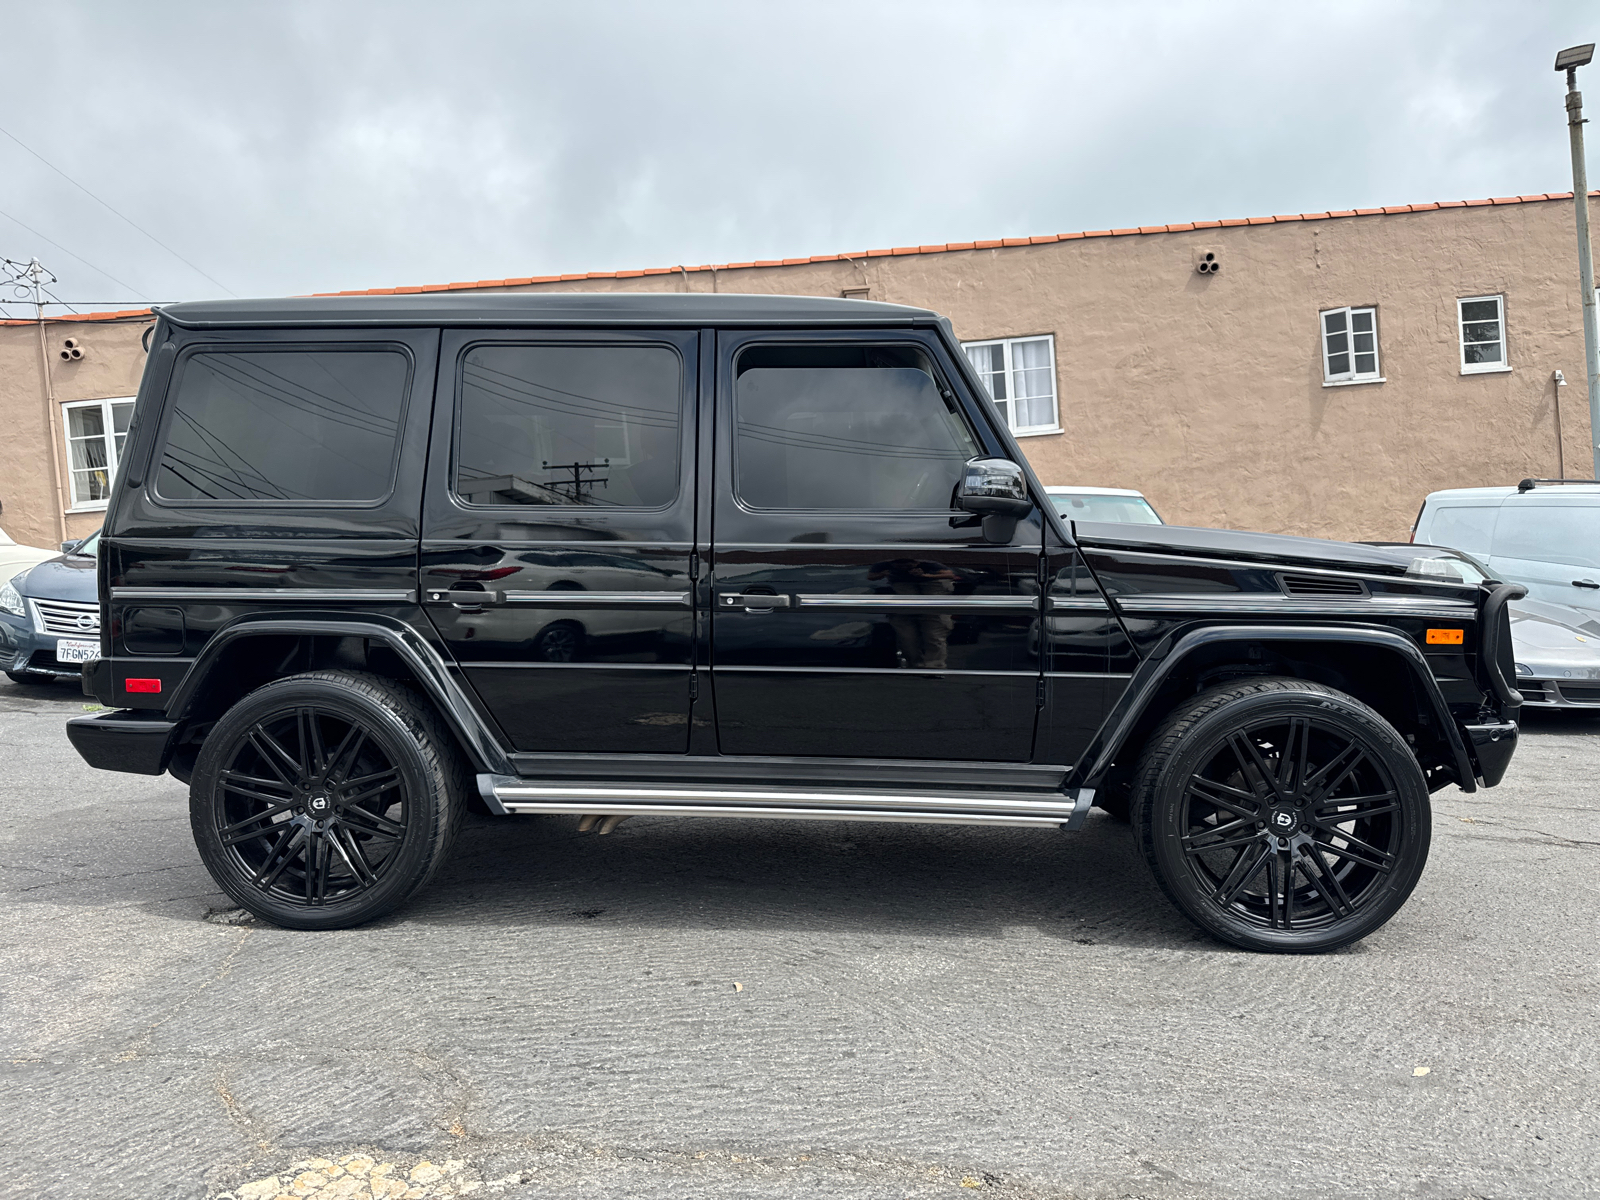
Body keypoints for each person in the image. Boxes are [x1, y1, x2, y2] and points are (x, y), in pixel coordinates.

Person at [866, 558, 958, 669]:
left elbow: (949, 575)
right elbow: (870, 576)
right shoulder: (883, 565)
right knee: (907, 638)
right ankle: (915, 666)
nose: (904, 567)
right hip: (903, 594)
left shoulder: (929, 564)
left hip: (931, 589)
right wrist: (883, 574)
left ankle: (934, 667)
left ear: (917, 562)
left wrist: (926, 575)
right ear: (892, 563)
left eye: (908, 565)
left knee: (934, 634)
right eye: (900, 565)